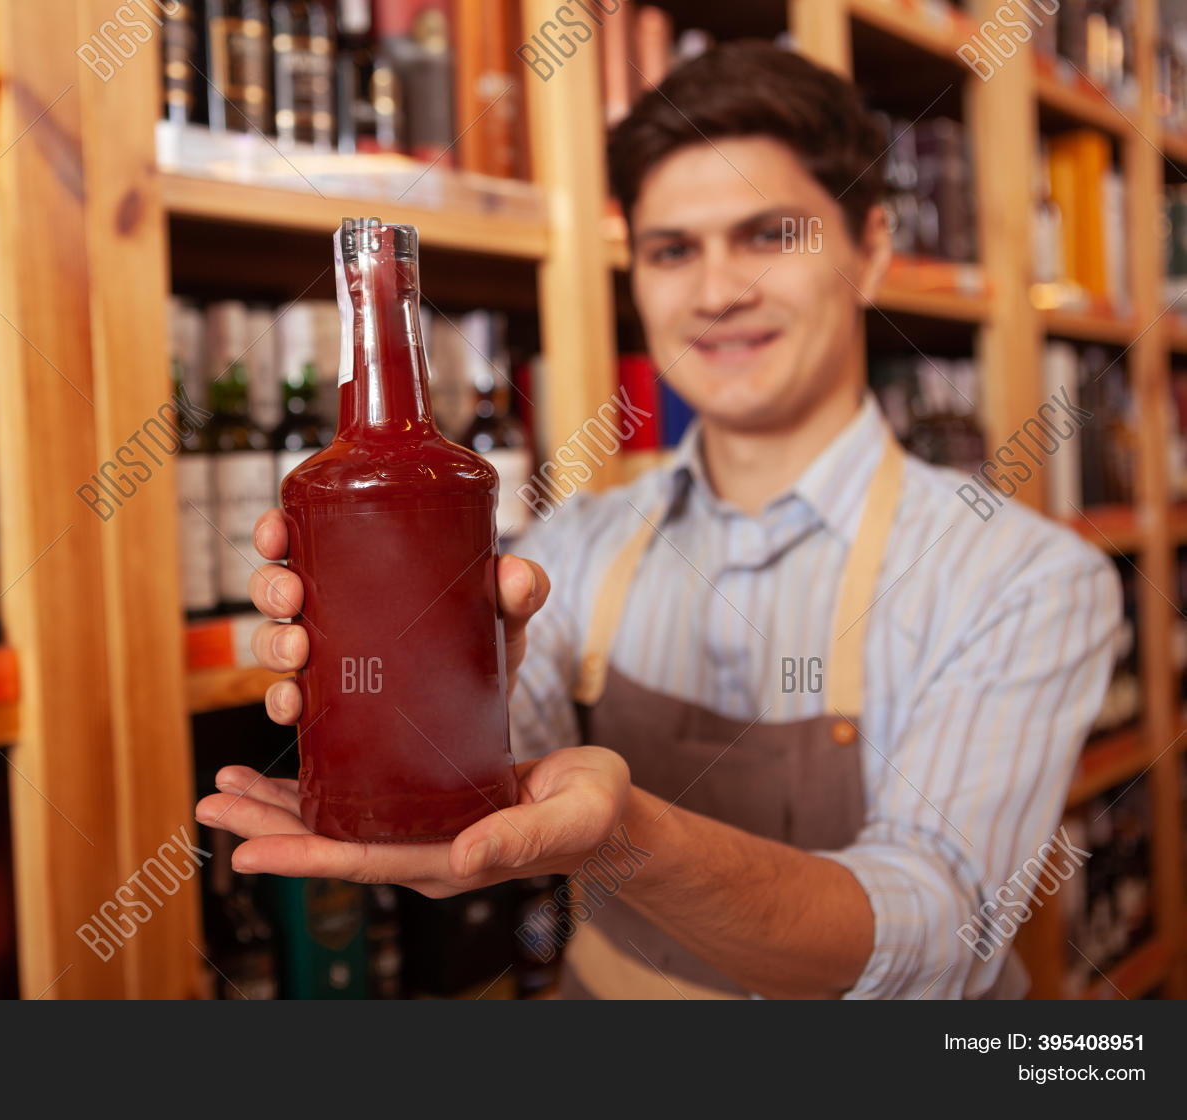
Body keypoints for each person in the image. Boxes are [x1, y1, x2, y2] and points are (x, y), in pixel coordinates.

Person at [195, 40, 1122, 999]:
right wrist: (407, 701)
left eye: (770, 236)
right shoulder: (573, 551)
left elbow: (941, 936)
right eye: (674, 249)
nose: (717, 291)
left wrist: (631, 836)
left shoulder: (1025, 577)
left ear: (873, 249)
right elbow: (495, 789)